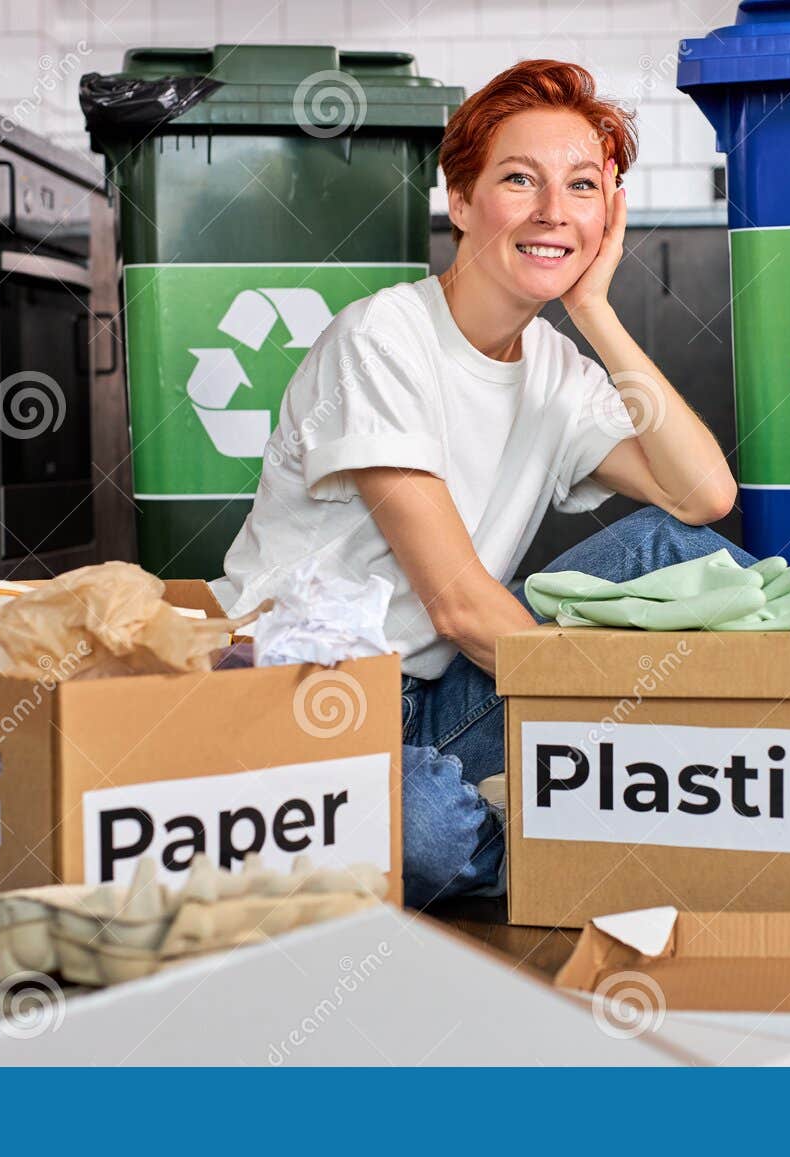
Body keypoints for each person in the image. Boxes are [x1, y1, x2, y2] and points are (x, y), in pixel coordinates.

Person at [212, 60, 751, 907]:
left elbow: (701, 498)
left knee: (683, 553)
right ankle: (597, 826)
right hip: (310, 696)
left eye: (580, 187)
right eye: (518, 180)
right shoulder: (383, 339)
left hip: (441, 696)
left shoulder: (557, 365)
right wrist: (607, 740)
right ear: (461, 202)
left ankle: (555, 817)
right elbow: (461, 604)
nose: (552, 212)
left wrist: (599, 312)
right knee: (421, 832)